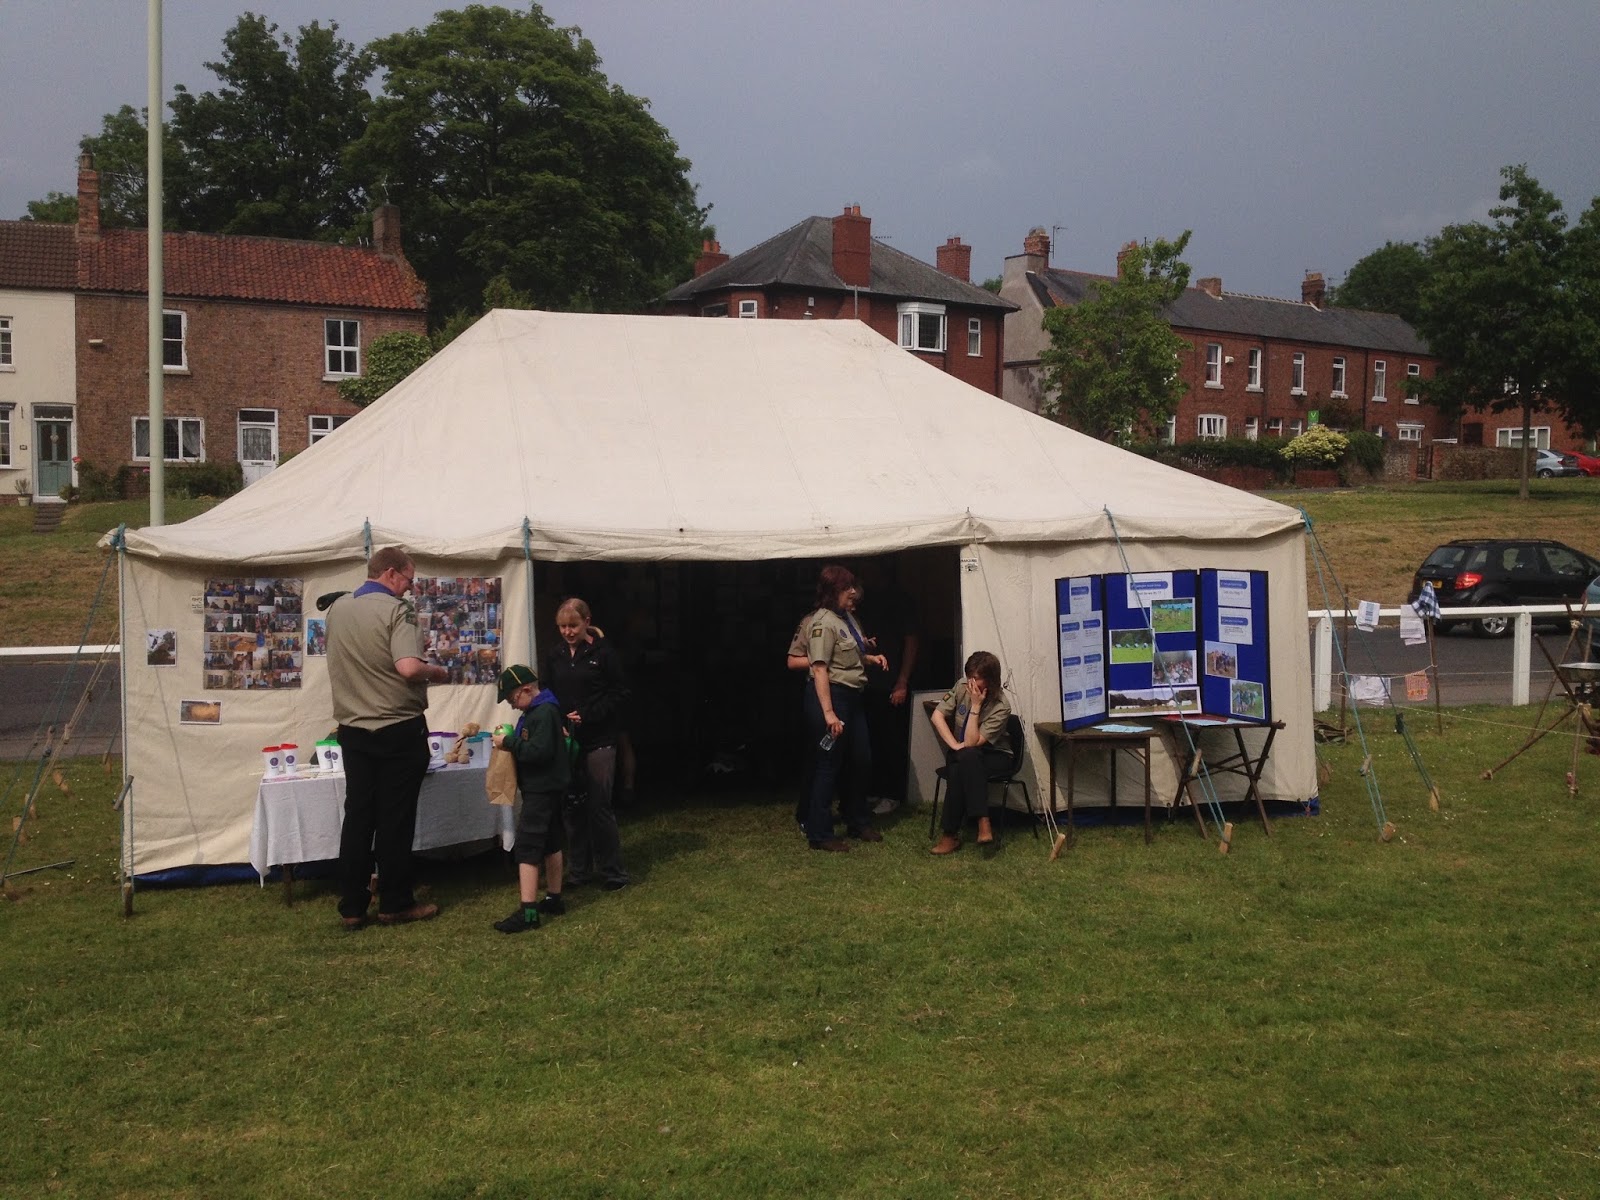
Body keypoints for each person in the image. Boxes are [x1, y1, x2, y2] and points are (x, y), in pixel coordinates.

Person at [327, 546, 449, 928]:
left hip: (353, 730)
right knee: (395, 818)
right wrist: (438, 672)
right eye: (409, 581)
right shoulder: (399, 611)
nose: (410, 590)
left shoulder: (338, 610)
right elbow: (409, 667)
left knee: (359, 816)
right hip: (397, 727)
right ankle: (395, 902)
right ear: (392, 574)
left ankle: (352, 905)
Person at [542, 597, 630, 891]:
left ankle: (613, 872)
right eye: (562, 627)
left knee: (599, 805)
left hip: (599, 739)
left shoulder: (603, 653)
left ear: (587, 622)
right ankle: (579, 872)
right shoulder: (554, 655)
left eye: (573, 626)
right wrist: (556, 719)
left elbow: (620, 693)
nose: (568, 631)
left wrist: (590, 714)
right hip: (568, 741)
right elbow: (547, 691)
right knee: (572, 807)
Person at [802, 565, 888, 851]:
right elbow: (820, 668)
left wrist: (870, 659)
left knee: (861, 759)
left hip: (853, 697)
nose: (853, 592)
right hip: (831, 697)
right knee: (829, 764)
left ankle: (857, 820)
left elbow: (850, 656)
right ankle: (820, 833)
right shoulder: (822, 623)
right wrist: (828, 713)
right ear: (831, 591)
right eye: (846, 587)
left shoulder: (847, 618)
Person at [491, 663, 570, 933]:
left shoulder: (543, 712)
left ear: (526, 690)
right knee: (551, 842)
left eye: (514, 699)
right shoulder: (541, 711)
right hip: (549, 788)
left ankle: (528, 913)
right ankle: (554, 898)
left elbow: (539, 752)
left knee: (527, 847)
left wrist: (508, 743)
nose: (513, 706)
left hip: (541, 790)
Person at [929, 651, 1013, 855]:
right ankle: (983, 820)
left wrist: (975, 706)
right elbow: (937, 715)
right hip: (964, 751)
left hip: (995, 754)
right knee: (965, 758)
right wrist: (952, 744)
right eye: (969, 677)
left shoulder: (1001, 706)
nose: (971, 683)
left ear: (991, 681)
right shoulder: (961, 687)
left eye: (976, 678)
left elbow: (973, 743)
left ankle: (950, 836)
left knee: (965, 760)